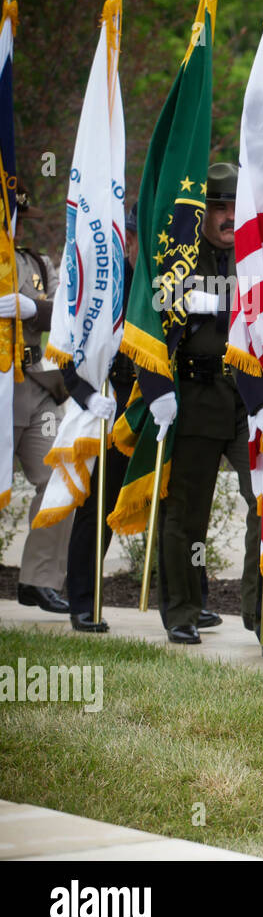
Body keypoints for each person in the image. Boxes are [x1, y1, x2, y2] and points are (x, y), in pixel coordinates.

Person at [137, 162, 262, 649]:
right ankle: (183, 611)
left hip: (250, 396)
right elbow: (153, 309)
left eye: (236, 206)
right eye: (220, 207)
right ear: (204, 211)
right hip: (197, 394)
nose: (230, 216)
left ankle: (260, 611)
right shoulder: (182, 257)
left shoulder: (253, 254)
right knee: (187, 511)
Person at [59, 203, 139, 633]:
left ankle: (191, 603)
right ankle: (83, 602)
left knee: (176, 502)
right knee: (98, 505)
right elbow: (66, 348)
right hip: (107, 403)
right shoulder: (95, 284)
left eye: (135, 236)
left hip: (152, 400)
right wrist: (88, 397)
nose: (131, 244)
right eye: (127, 236)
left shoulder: (154, 279)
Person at [3, 183, 74, 613]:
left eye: (14, 216)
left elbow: (65, 309)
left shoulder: (34, 264)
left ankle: (39, 579)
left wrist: (34, 311)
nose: (11, 224)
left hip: (35, 385)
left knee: (56, 477)